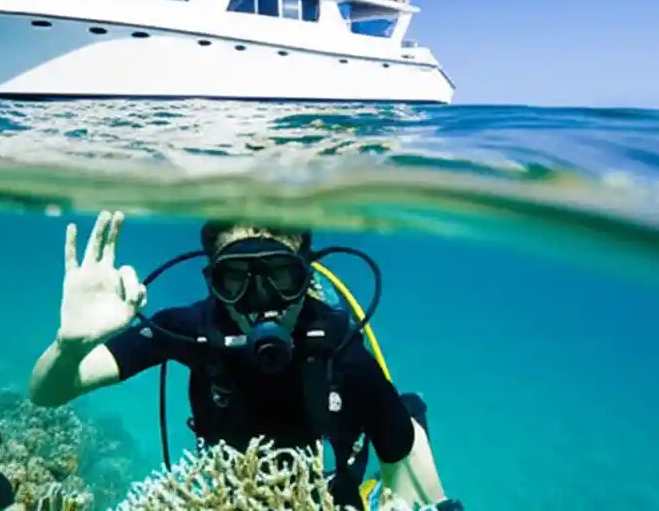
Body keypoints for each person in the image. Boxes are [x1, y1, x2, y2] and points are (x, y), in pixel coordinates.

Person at [28, 210, 461, 510]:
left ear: (305, 276)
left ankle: (412, 410)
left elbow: (397, 456)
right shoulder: (190, 328)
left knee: (401, 430)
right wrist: (68, 347)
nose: (260, 301)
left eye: (280, 276)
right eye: (236, 277)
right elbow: (48, 394)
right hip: (240, 493)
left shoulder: (338, 347)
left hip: (330, 492)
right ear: (213, 280)